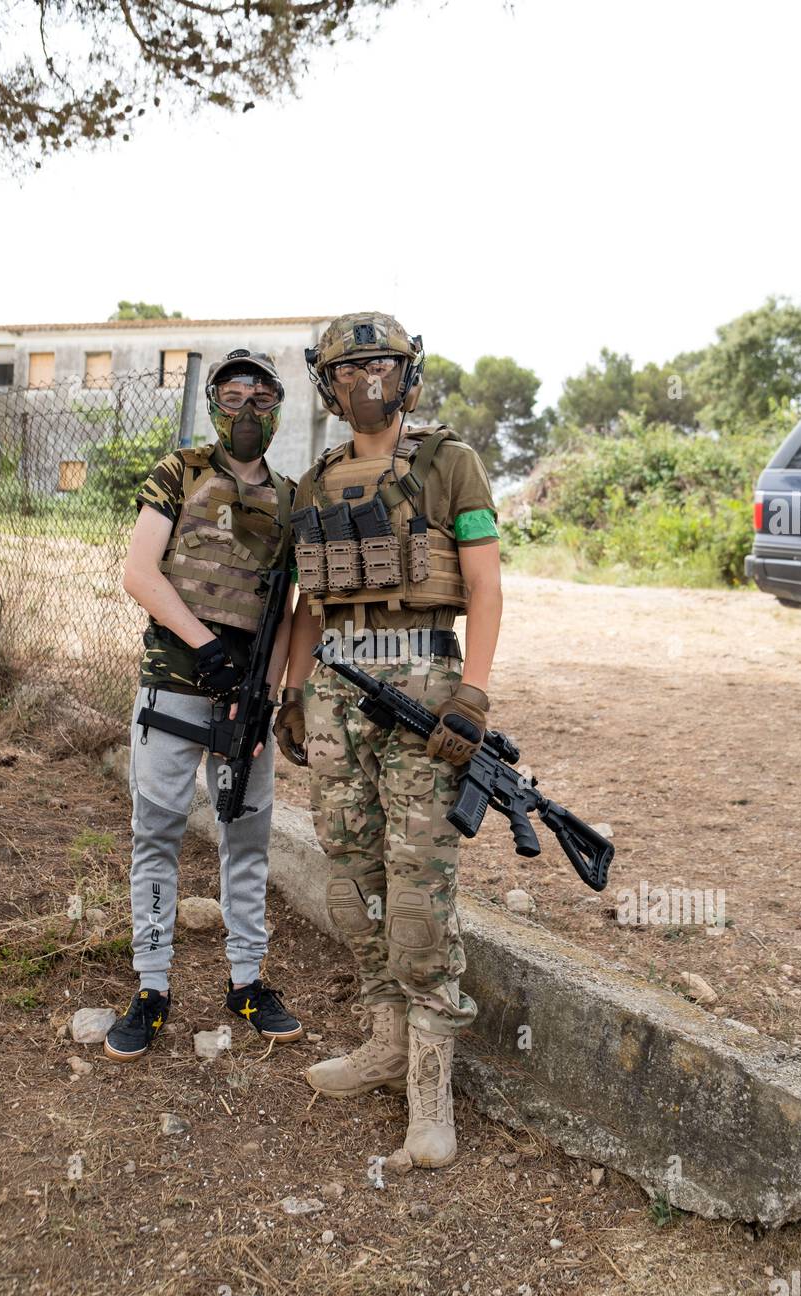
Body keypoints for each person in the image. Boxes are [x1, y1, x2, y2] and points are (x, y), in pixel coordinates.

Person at [274, 312, 502, 1166]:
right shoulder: (314, 484)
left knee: (417, 891)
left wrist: (473, 693)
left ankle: (431, 1087)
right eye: (347, 368)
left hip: (423, 689)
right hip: (337, 691)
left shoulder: (451, 463)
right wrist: (294, 695)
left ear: (406, 374)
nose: (364, 380)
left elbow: (484, 586)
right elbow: (307, 606)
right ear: (327, 383)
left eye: (380, 365)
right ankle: (385, 1038)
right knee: (350, 877)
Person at [104, 349, 302, 1062]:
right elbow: (139, 571)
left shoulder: (290, 496)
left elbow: (288, 610)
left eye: (261, 398)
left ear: (279, 408)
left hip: (243, 707)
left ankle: (246, 982)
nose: (247, 410)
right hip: (173, 688)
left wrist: (269, 694)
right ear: (213, 403)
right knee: (155, 836)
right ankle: (151, 988)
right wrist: (207, 651)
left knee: (246, 842)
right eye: (233, 395)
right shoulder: (179, 471)